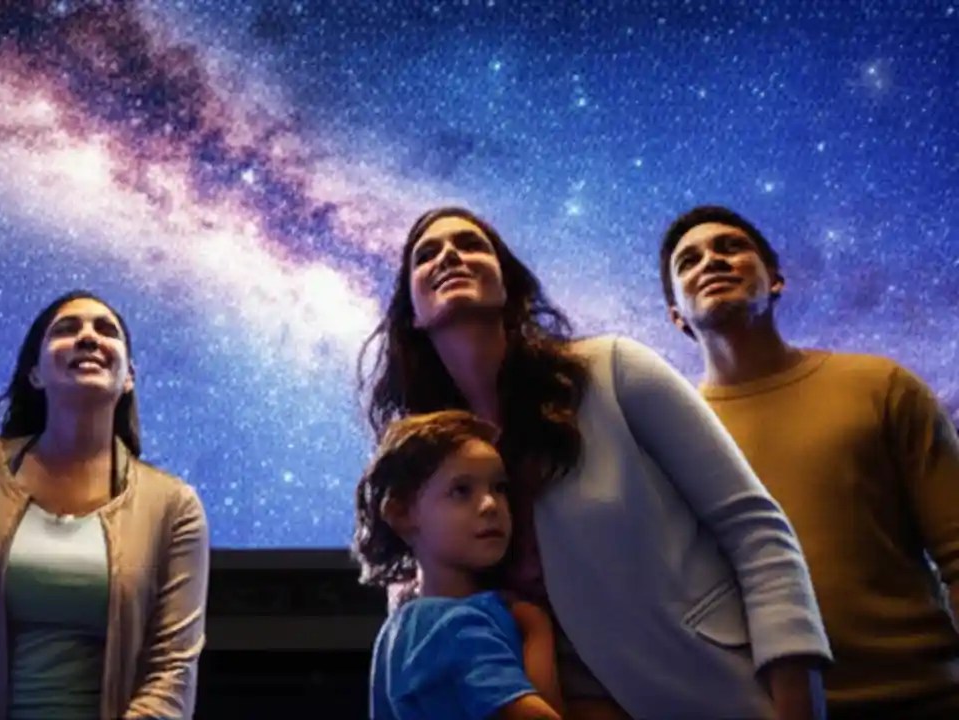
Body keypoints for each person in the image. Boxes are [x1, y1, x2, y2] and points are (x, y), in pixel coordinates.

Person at [358, 206, 832, 719]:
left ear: (509, 287)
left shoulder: (612, 370)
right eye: (427, 254)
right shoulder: (422, 461)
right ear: (411, 312)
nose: (450, 255)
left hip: (706, 687)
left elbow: (755, 528)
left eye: (472, 245)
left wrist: (799, 699)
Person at [661, 204, 959, 720]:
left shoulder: (880, 386)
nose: (711, 261)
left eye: (731, 247)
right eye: (688, 261)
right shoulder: (665, 435)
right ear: (675, 315)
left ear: (775, 280)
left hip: (926, 698)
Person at [0, 290, 210, 720]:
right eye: (66, 329)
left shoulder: (175, 505)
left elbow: (172, 671)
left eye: (106, 330)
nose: (88, 337)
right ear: (35, 375)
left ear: (129, 377)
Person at [353, 409, 563, 720]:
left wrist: (534, 628)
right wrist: (537, 629)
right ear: (402, 515)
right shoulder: (451, 625)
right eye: (461, 491)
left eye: (499, 488)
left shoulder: (398, 629)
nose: (491, 504)